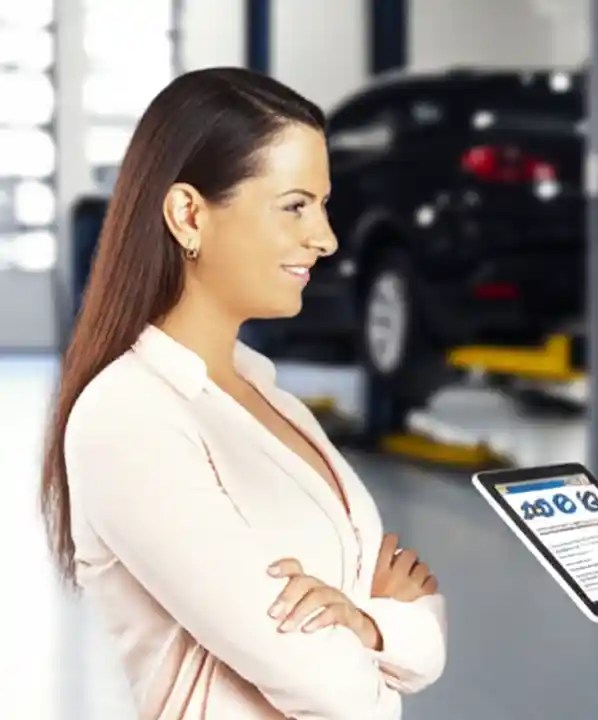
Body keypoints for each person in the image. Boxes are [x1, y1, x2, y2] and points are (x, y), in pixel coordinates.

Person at [40, 68, 446, 720]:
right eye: (295, 206)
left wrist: (372, 626)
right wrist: (387, 627)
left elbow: (424, 631)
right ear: (188, 215)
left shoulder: (270, 398)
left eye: (323, 204)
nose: (326, 238)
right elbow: (334, 690)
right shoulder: (129, 416)